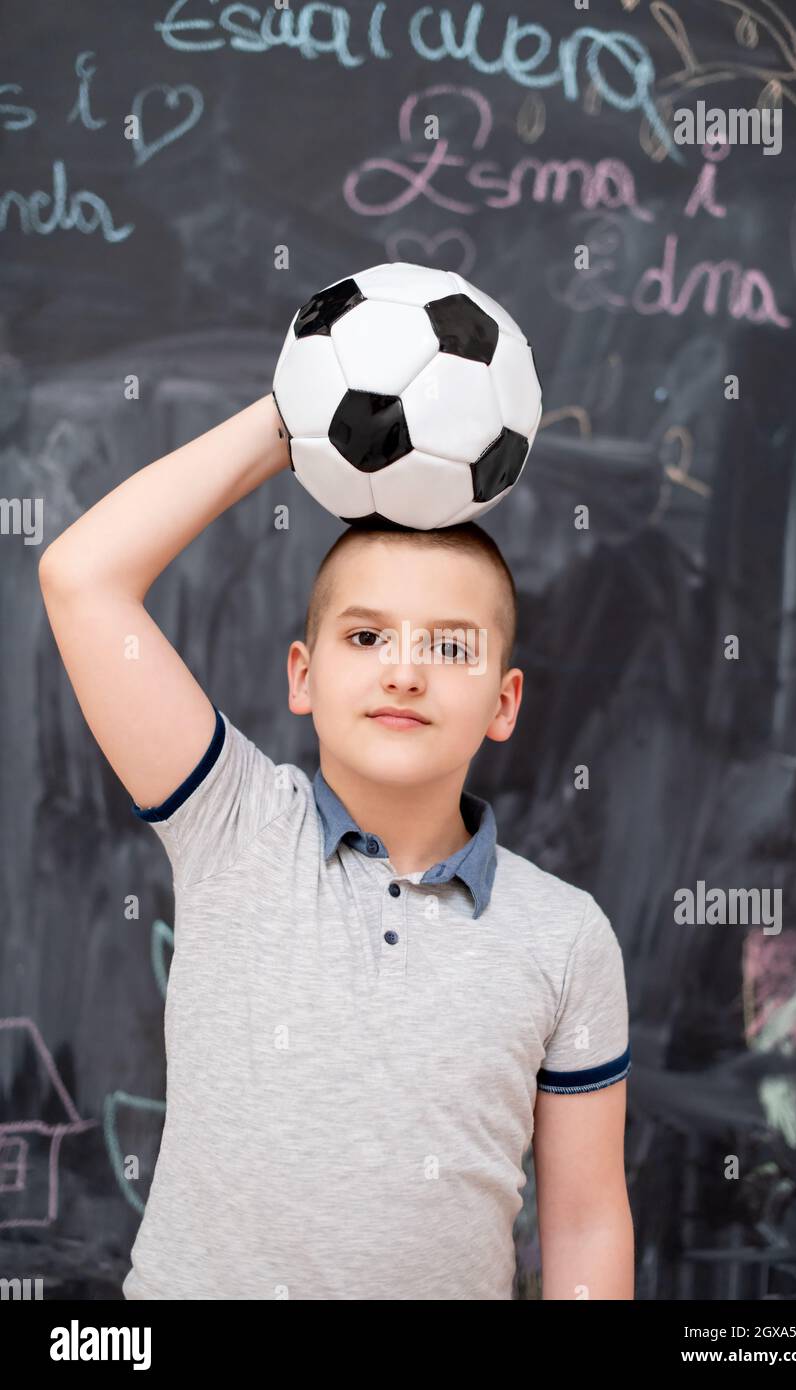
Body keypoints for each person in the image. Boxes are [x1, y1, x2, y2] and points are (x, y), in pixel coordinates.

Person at [38, 392, 633, 1300]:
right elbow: (82, 576)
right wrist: (293, 423)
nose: (404, 668)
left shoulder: (566, 935)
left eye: (448, 645)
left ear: (504, 703)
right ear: (303, 677)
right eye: (366, 636)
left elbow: (586, 1223)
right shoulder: (233, 820)